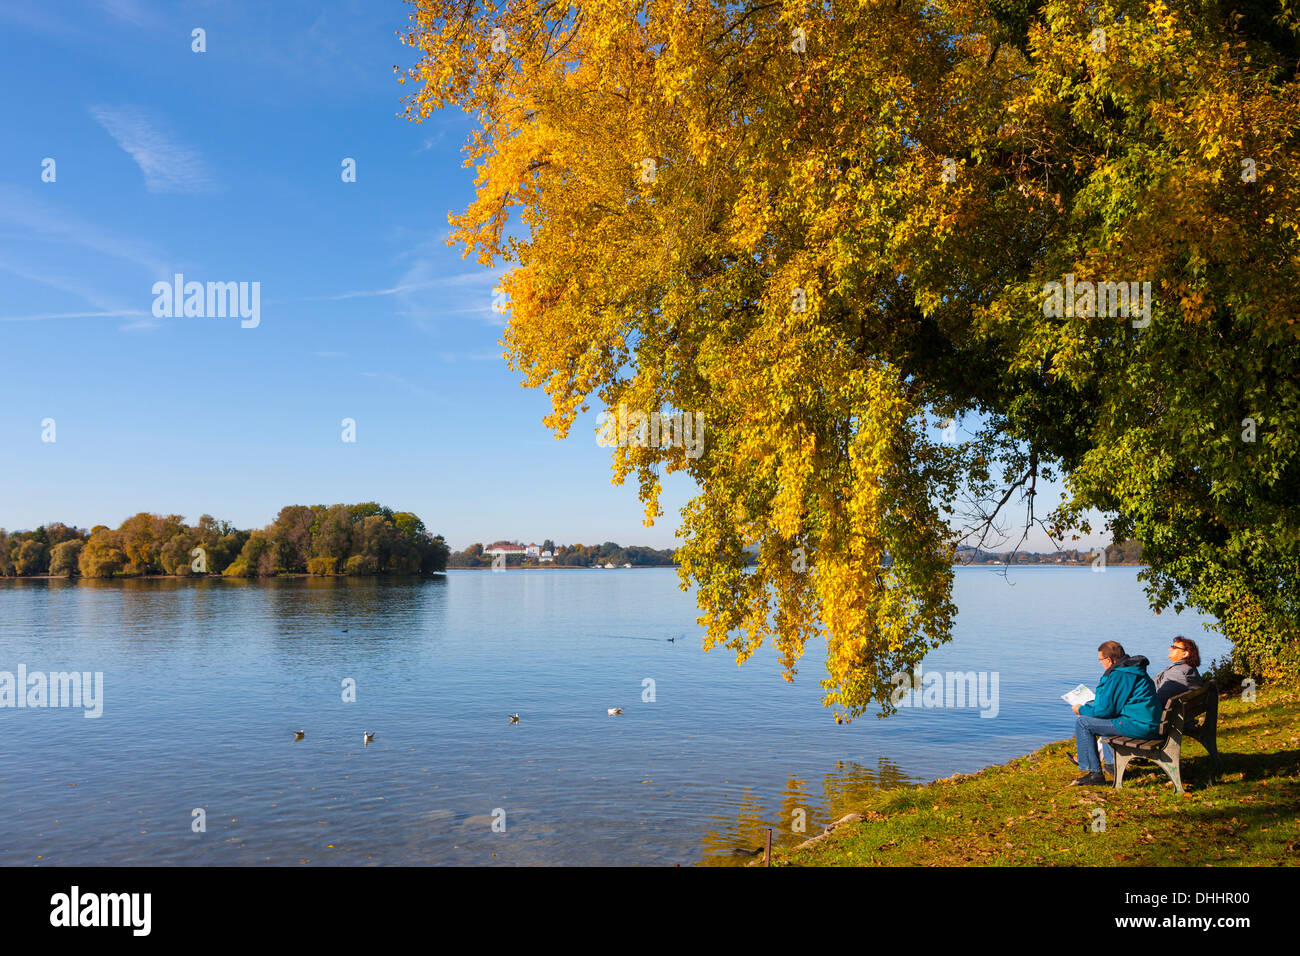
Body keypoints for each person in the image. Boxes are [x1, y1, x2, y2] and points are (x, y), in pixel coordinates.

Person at [1069, 641, 1162, 786]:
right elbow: (1112, 707)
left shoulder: (1120, 675)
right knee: (1107, 720)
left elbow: (1104, 711)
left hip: (1141, 725)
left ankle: (1094, 773)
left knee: (1083, 723)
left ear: (1108, 660)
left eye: (1100, 660)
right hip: (1147, 721)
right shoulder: (1132, 669)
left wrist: (1081, 709)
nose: (1100, 663)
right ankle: (1112, 765)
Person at [1153, 635, 1203, 704]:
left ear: (1185, 654)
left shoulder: (1178, 672)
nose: (1170, 649)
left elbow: (1162, 698)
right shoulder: (1189, 669)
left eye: (1174, 647)